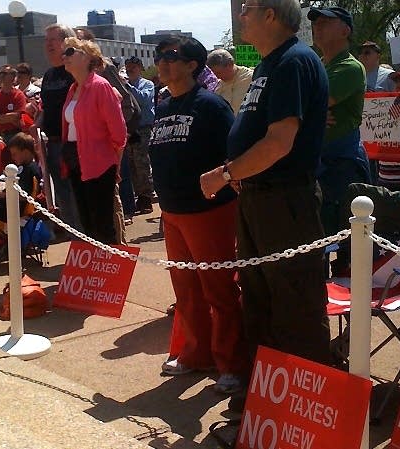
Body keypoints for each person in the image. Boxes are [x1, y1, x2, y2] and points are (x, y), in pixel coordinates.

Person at [200, 0, 332, 378]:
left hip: (285, 199)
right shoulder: (267, 65)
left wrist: (225, 174)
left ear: (271, 14)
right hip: (259, 198)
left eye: (248, 8)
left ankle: (302, 392)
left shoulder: (294, 61)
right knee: (259, 299)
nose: (241, 15)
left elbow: (278, 143)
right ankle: (264, 393)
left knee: (294, 304)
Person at [149, 36, 248, 394]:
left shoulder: (211, 105)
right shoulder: (163, 106)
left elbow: (234, 155)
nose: (162, 63)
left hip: (209, 211)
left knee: (219, 289)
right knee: (186, 290)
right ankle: (195, 353)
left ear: (193, 65)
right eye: (159, 57)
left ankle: (232, 364)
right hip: (172, 212)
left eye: (171, 57)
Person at [308, 6, 370, 236]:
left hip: (342, 165)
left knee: (348, 238)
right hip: (320, 162)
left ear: (345, 31)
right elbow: (300, 104)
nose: (317, 27)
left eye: (325, 22)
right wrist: (313, 116)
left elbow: (305, 103)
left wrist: (308, 113)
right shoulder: (318, 65)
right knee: (319, 234)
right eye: (316, 23)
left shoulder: (349, 67)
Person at [60, 37, 127, 244]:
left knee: (102, 224)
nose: (64, 56)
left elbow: (119, 132)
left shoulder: (100, 86)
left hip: (99, 161)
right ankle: (95, 263)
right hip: (74, 158)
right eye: (64, 52)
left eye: (70, 51)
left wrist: (114, 161)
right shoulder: (73, 89)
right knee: (86, 222)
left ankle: (110, 262)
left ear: (88, 57)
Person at [36, 24, 82, 233]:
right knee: (64, 198)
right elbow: (47, 107)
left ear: (66, 41)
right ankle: (76, 241)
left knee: (78, 196)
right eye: (46, 41)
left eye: (52, 40)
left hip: (76, 144)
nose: (48, 45)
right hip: (54, 145)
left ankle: (89, 242)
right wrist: (38, 121)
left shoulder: (76, 72)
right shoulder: (49, 76)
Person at [124, 55, 155, 216]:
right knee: (131, 165)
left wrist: (127, 87)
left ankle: (146, 197)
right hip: (129, 129)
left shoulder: (147, 84)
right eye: (128, 67)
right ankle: (138, 196)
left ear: (140, 69)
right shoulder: (123, 85)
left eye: (133, 67)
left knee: (142, 163)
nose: (130, 70)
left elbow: (143, 99)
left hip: (143, 129)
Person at [206, 48, 254, 114]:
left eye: (219, 73)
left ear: (230, 64)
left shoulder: (252, 78)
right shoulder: (218, 86)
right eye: (214, 73)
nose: (217, 77)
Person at [0, 64, 27, 145]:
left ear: (12, 77)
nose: (1, 76)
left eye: (5, 73)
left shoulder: (19, 95)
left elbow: (16, 116)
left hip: (15, 134)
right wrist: (7, 118)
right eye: (1, 73)